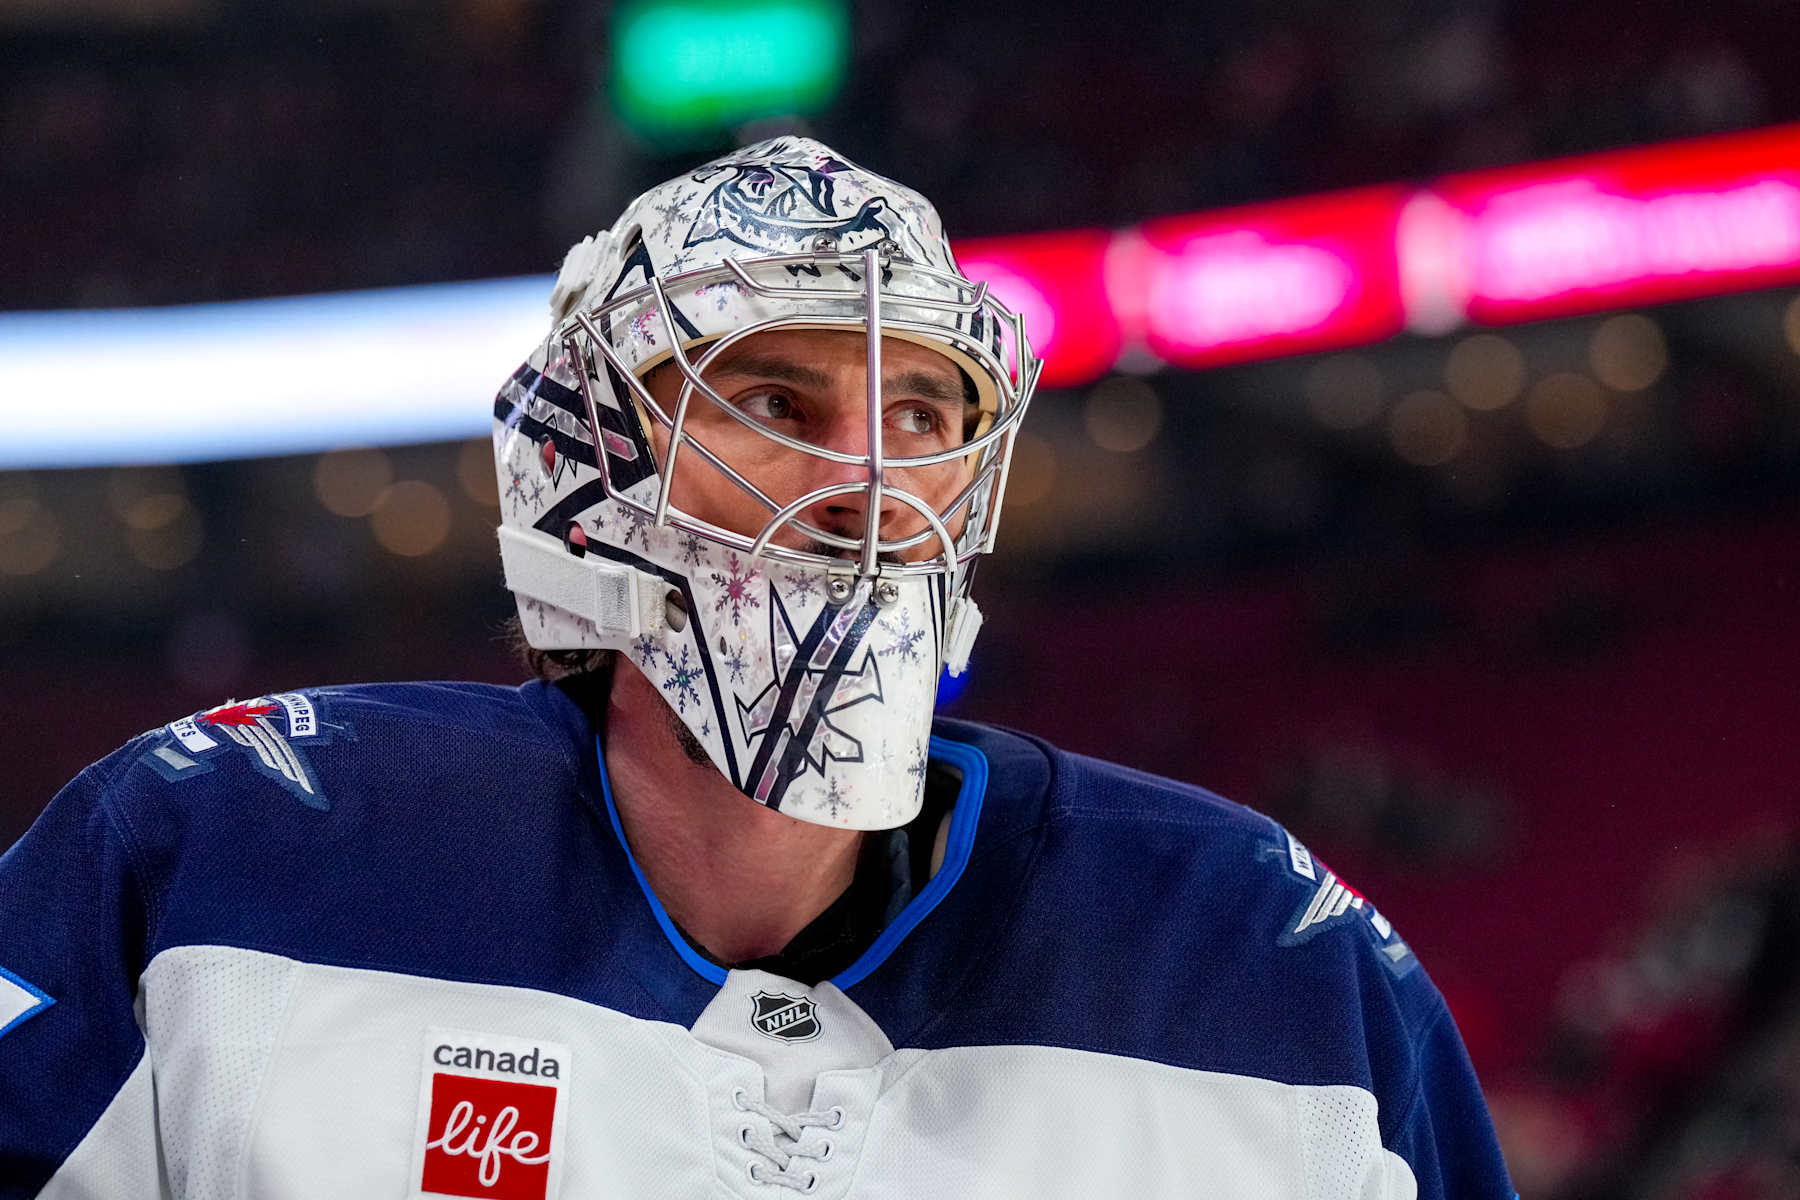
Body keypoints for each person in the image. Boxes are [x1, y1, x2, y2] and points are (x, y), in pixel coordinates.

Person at [0, 138, 1514, 1199]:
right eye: (776, 395)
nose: (864, 476)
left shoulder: (1276, 969)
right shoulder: (220, 855)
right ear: (584, 468)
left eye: (925, 413)